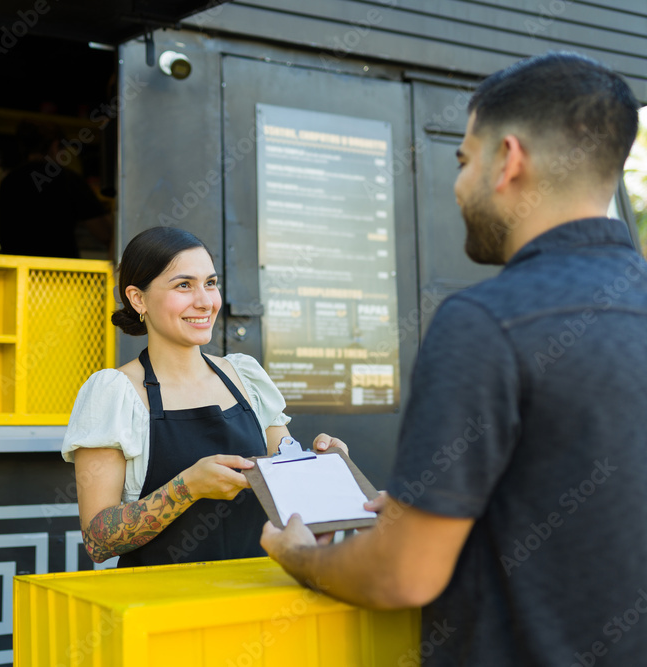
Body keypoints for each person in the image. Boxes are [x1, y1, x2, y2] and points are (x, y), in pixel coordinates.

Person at [260, 51, 647, 665]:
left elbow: (402, 577)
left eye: (464, 161)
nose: (459, 185)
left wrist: (299, 554)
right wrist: (447, 506)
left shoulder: (487, 321)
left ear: (508, 161)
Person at [62, 226, 348, 567]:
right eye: (184, 285)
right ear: (138, 298)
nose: (205, 301)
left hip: (259, 590)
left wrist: (328, 467)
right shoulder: (114, 392)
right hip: (162, 606)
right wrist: (186, 488)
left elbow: (291, 492)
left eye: (210, 283)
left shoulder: (245, 377)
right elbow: (98, 540)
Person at [0, 122, 112, 258]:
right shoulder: (68, 179)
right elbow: (105, 233)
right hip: (58, 273)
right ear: (55, 145)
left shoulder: (8, 181)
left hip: (15, 271)